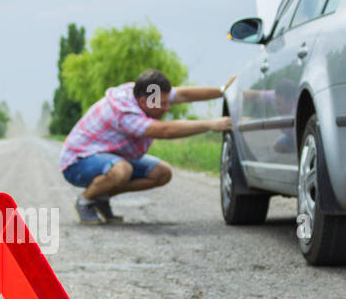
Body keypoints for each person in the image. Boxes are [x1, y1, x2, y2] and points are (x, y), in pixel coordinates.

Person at [59, 68, 231, 224]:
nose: (167, 107)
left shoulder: (148, 93)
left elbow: (184, 94)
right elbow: (165, 131)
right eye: (163, 104)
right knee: (122, 171)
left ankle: (100, 196)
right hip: (77, 162)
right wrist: (210, 124)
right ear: (143, 102)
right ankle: (85, 201)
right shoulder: (125, 114)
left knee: (162, 173)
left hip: (109, 157)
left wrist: (224, 91)